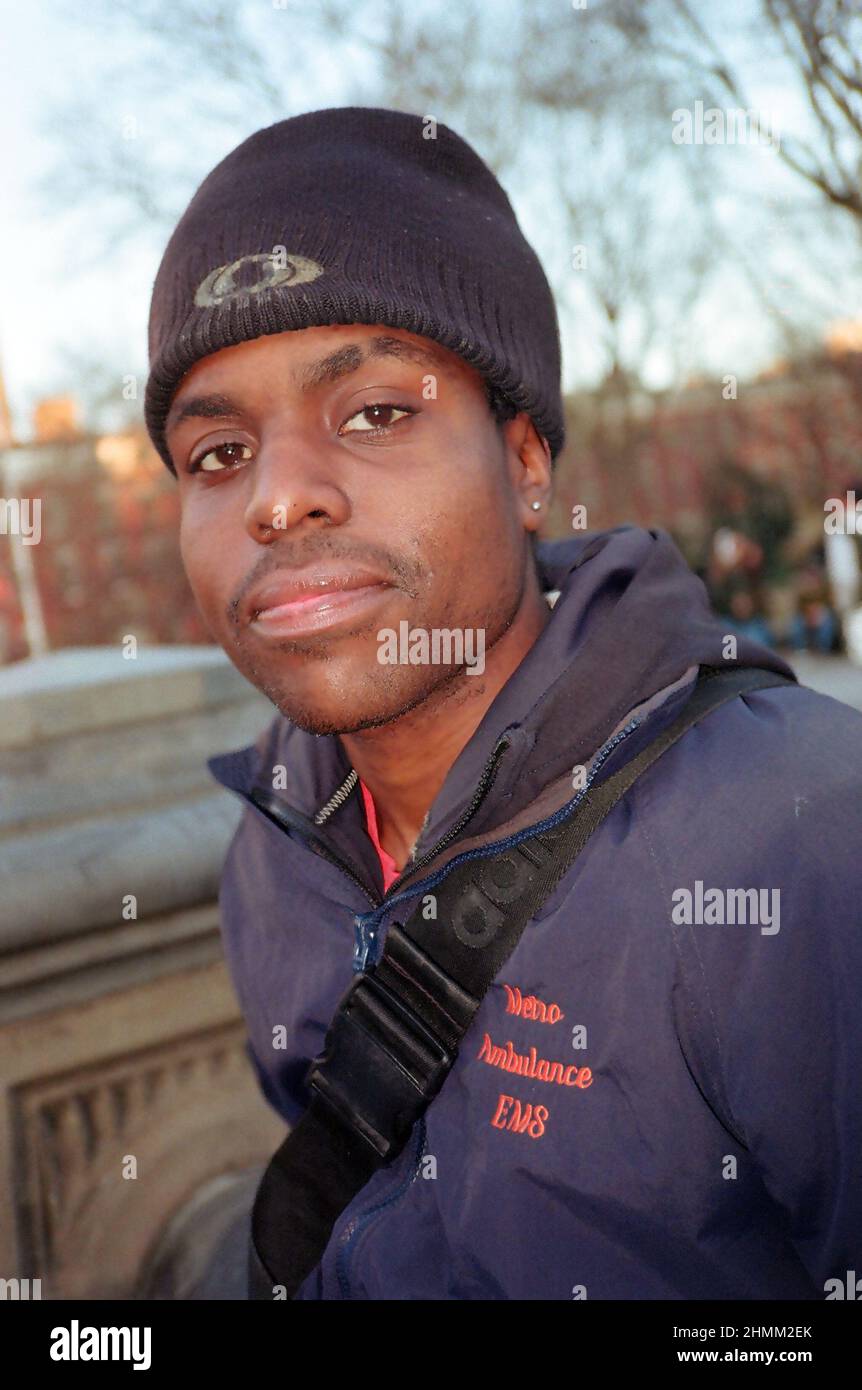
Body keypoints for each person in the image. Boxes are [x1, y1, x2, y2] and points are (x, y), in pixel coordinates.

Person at [143, 107, 862, 1301]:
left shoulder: (803, 841)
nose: (279, 499)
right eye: (216, 453)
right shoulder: (273, 855)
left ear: (525, 460)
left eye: (375, 411)